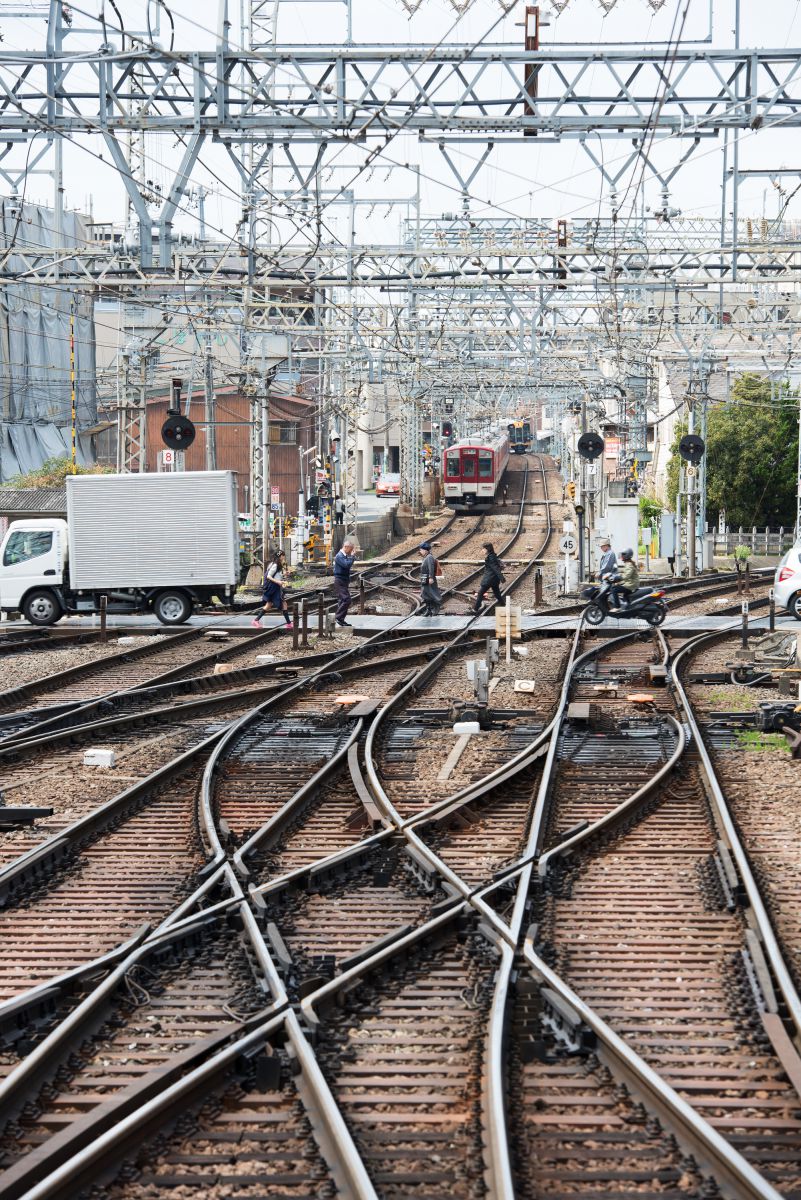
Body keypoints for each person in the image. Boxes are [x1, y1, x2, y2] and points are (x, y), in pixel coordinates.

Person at [252, 550, 293, 629]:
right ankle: (289, 624)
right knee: (284, 604)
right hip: (274, 587)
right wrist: (278, 582)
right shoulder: (275, 565)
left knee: (269, 604)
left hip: (273, 587)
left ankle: (256, 620)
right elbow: (269, 576)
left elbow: (276, 574)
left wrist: (284, 574)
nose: (284, 557)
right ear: (280, 556)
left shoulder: (273, 564)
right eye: (283, 555)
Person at [473, 542, 505, 613]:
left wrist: (502, 578)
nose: (482, 550)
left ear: (487, 549)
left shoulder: (491, 557)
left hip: (490, 579)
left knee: (480, 593)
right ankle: (503, 605)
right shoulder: (492, 556)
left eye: (483, 549)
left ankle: (475, 609)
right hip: (494, 579)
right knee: (497, 594)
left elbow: (495, 568)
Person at [333, 539, 358, 627]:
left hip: (343, 580)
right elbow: (346, 565)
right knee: (347, 599)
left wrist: (351, 557)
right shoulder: (339, 556)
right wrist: (352, 557)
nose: (351, 551)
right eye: (351, 549)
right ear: (346, 547)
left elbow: (347, 564)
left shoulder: (344, 555)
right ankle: (338, 617)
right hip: (339, 580)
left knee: (342, 600)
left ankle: (341, 620)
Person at [418, 542, 442, 616]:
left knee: (432, 593)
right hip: (424, 578)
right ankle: (429, 610)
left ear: (425, 550)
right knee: (425, 594)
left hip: (428, 578)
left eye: (421, 550)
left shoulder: (429, 557)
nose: (420, 551)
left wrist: (431, 577)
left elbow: (431, 568)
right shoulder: (426, 557)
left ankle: (436, 608)